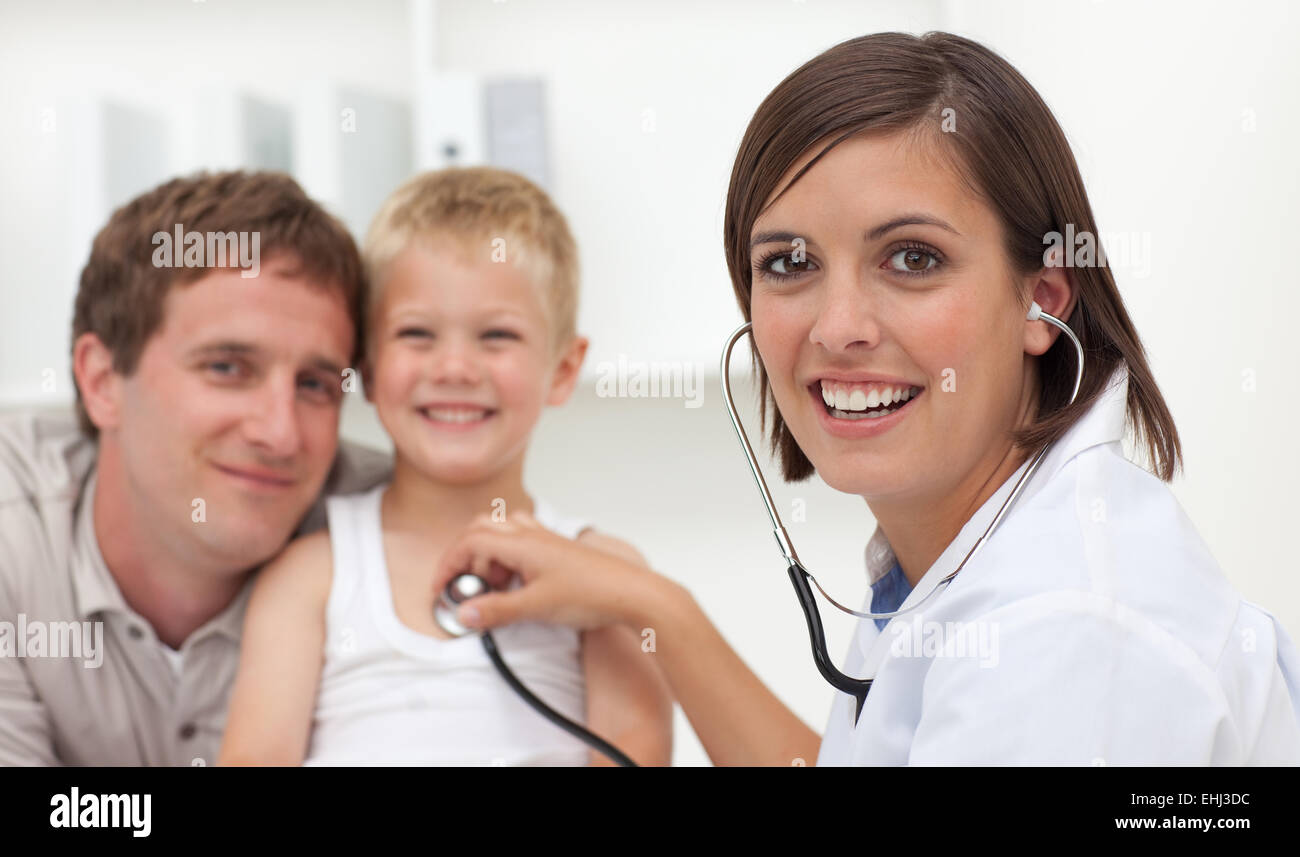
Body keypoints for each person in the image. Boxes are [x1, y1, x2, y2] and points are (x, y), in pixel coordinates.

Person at [425, 32, 1300, 765]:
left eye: (912, 258)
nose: (838, 326)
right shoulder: (974, 554)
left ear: (1043, 301)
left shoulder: (1061, 633)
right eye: (790, 263)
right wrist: (653, 607)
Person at [217, 167, 674, 766]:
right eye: (416, 333)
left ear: (563, 369)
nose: (455, 367)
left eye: (496, 335)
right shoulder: (310, 577)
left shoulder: (607, 574)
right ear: (369, 368)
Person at [0, 171, 391, 766]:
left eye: (315, 384)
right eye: (228, 368)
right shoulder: (13, 528)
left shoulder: (394, 535)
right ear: (102, 381)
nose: (280, 434)